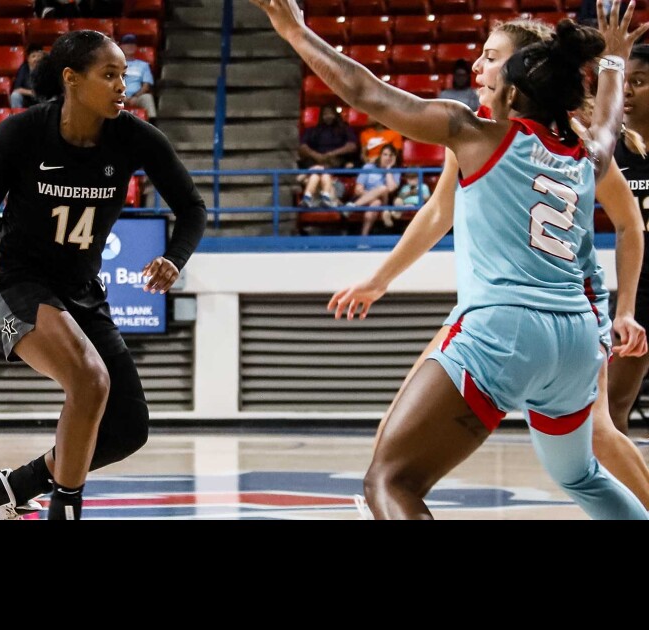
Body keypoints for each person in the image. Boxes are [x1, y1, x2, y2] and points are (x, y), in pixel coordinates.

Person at [254, 0, 648, 519]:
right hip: (575, 338)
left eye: (492, 62)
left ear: (512, 88)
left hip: (505, 327)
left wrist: (295, 32)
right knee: (582, 475)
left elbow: (365, 92)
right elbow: (609, 124)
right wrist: (614, 64)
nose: (478, 71)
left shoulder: (474, 133)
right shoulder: (586, 152)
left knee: (390, 481)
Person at [0, 29, 207, 520]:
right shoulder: (20, 134)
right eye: (109, 75)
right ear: (72, 79)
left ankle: (9, 487)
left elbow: (192, 207)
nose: (122, 86)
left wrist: (175, 256)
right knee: (88, 380)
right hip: (14, 281)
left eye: (124, 76)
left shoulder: (134, 137)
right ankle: (65, 511)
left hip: (82, 289)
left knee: (128, 427)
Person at [603, 43, 649, 436]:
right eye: (625, 82)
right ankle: (632, 496)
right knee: (611, 407)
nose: (629, 90)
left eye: (640, 81)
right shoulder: (611, 150)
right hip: (639, 294)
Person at [298, 104, 358, 208]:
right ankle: (312, 198)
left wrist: (332, 154)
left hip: (336, 161)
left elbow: (352, 146)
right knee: (317, 173)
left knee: (320, 173)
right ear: (321, 116)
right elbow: (302, 147)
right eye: (325, 114)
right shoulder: (314, 130)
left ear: (335, 114)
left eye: (330, 113)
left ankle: (315, 198)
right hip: (317, 160)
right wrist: (316, 155)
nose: (328, 116)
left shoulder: (344, 128)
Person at [348, 143, 400, 235]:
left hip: (385, 200)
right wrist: (372, 195)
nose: (387, 158)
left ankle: (352, 206)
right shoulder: (368, 167)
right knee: (376, 203)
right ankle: (363, 240)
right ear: (380, 155)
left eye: (391, 155)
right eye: (385, 154)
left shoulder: (395, 171)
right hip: (367, 199)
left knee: (383, 188)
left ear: (394, 158)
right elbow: (358, 189)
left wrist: (388, 169)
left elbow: (391, 189)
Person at [118, 34, 157, 121]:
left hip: (137, 97)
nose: (130, 46)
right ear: (121, 47)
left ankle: (152, 126)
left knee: (147, 98)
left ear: (136, 47)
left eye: (132, 44)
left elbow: (146, 86)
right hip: (118, 95)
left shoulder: (143, 65)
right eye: (127, 44)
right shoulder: (116, 65)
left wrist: (135, 97)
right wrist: (122, 96)